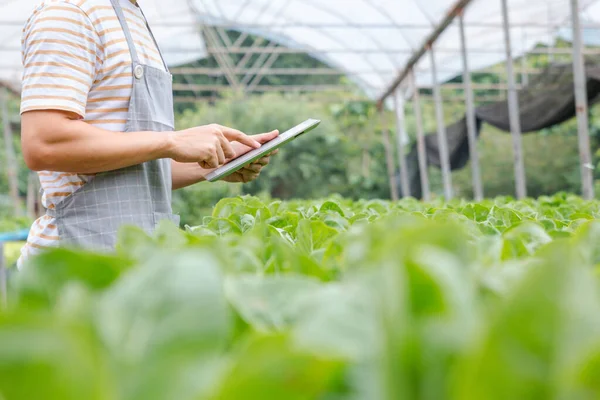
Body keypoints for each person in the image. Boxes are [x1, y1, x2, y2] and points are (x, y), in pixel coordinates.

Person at [17, 0, 278, 267]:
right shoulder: (71, 14)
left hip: (132, 261)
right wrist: (171, 141)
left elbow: (129, 171)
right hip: (75, 266)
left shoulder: (133, 19)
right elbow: (44, 144)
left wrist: (215, 162)